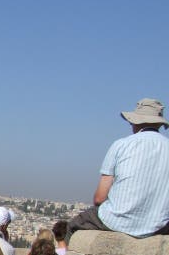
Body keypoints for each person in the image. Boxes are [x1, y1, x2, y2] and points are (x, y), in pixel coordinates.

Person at [67, 98, 169, 239]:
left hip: (116, 221)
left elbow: (99, 198)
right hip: (158, 226)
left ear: (135, 122)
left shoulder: (122, 145)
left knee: (69, 228)